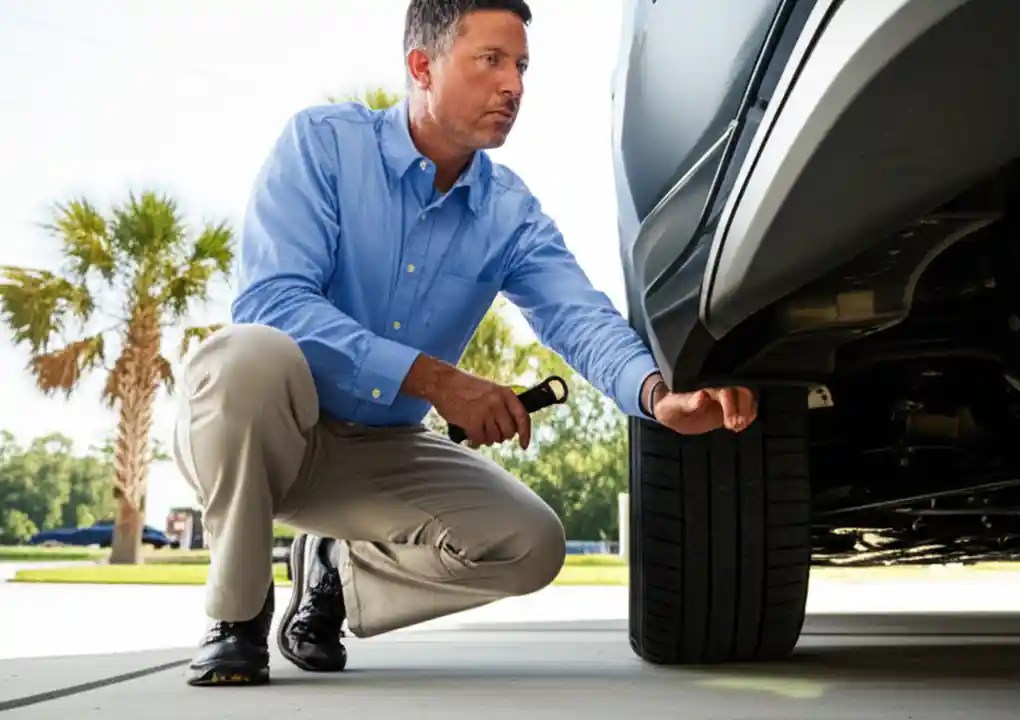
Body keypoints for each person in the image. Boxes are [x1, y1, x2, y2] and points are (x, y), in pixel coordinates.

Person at [176, 0, 757, 687]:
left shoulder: (510, 212)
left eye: (521, 66)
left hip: (376, 455)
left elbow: (580, 317)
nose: (513, 86)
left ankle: (334, 571)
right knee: (247, 354)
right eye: (491, 61)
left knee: (530, 546)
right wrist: (438, 381)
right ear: (422, 65)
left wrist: (657, 397)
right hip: (265, 432)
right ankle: (235, 619)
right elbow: (273, 302)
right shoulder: (322, 144)